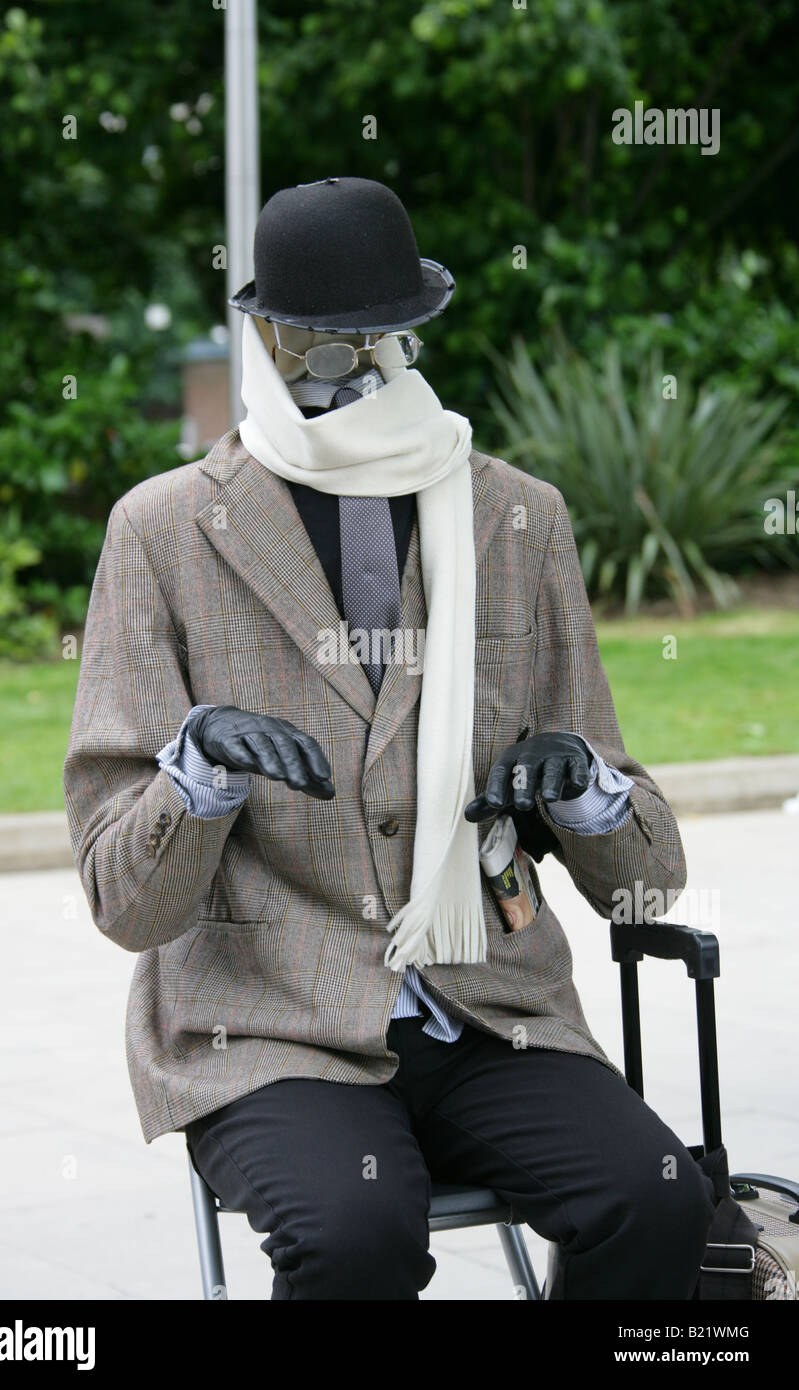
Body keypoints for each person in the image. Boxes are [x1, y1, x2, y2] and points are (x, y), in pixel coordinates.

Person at [63, 176, 715, 1300]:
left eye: (376, 333)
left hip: (490, 1006)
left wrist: (587, 796)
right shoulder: (162, 530)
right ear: (267, 335)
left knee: (658, 1194)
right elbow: (128, 902)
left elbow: (647, 879)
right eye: (324, 334)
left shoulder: (516, 515)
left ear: (410, 328)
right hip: (269, 1026)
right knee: (357, 1234)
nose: (353, 359)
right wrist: (198, 776)